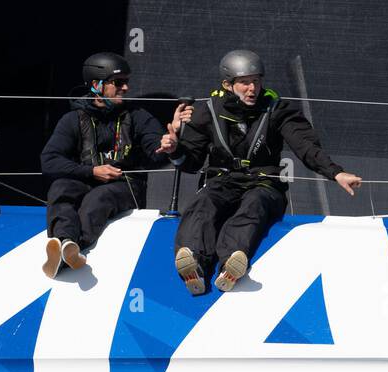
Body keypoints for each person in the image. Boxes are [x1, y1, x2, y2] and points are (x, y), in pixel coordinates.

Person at [158, 49, 363, 295]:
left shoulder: (277, 109)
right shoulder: (207, 111)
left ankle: (231, 264)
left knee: (254, 204)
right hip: (223, 180)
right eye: (244, 82)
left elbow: (305, 145)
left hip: (264, 183)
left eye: (256, 81)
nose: (252, 88)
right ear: (227, 84)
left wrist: (336, 173)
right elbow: (190, 162)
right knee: (203, 202)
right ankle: (193, 262)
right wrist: (174, 149)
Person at [39, 53, 188, 279]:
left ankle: (74, 247)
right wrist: (90, 171)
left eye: (127, 81)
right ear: (97, 85)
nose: (126, 88)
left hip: (125, 185)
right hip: (86, 180)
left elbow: (155, 150)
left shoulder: (137, 116)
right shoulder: (73, 119)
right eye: (118, 83)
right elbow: (49, 160)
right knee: (60, 188)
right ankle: (63, 242)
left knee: (98, 198)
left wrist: (167, 144)